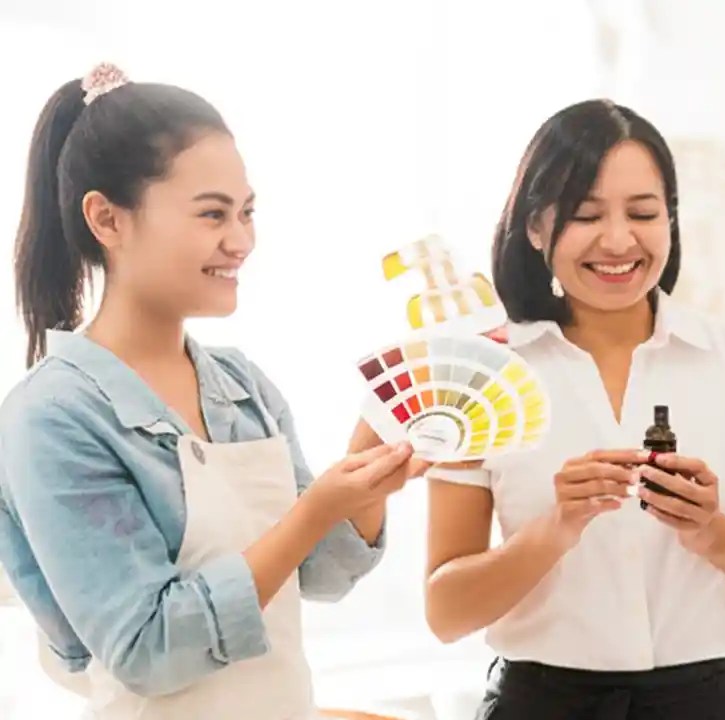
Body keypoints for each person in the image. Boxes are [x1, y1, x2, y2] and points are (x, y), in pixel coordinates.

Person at [0, 63, 421, 719]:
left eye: (247, 213)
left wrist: (381, 440)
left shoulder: (240, 385)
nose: (242, 241)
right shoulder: (51, 418)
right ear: (107, 220)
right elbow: (147, 648)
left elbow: (321, 574)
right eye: (212, 215)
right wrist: (316, 510)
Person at [424, 99, 725, 719]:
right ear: (535, 228)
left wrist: (711, 533)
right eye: (585, 215)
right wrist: (554, 530)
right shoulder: (483, 373)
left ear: (671, 221)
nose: (618, 240)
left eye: (643, 213)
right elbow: (446, 613)